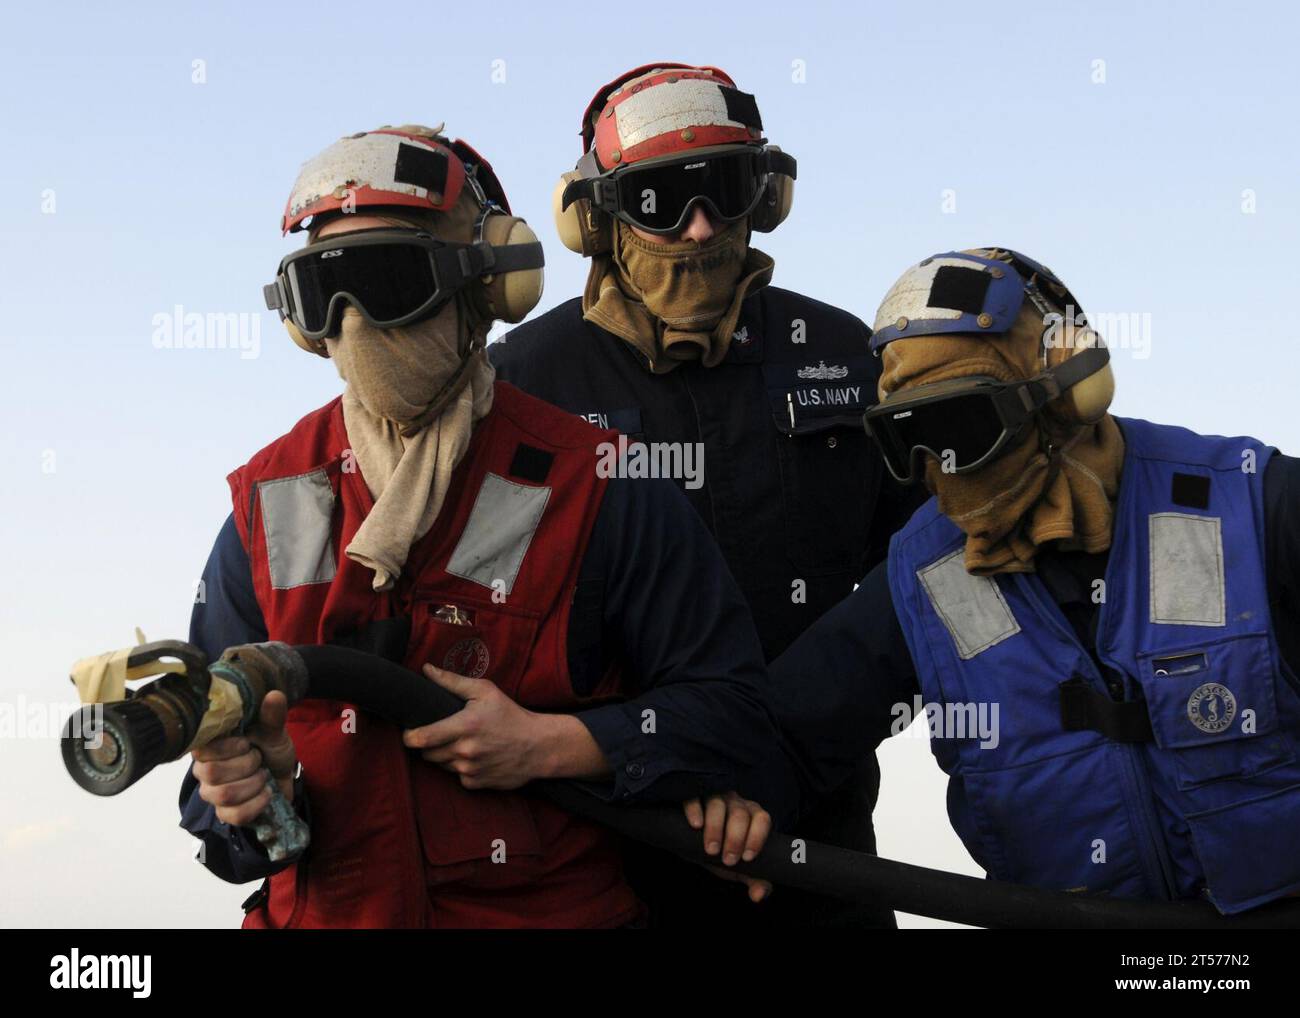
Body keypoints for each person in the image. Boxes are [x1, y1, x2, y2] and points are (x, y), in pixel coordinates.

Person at [177, 124, 797, 929]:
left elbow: (734, 713)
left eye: (391, 278)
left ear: (488, 286)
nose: (356, 321)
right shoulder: (269, 503)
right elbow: (215, 812)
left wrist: (556, 744)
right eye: (325, 289)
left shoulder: (601, 483)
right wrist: (258, 796)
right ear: (301, 321)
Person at [491, 63, 914, 928]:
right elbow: (486, 625)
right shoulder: (516, 391)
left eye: (722, 190)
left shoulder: (849, 356)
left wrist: (783, 766)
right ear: (595, 219)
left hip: (815, 841)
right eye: (657, 201)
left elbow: (931, 585)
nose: (697, 228)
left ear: (767, 196)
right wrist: (642, 754)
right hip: (600, 846)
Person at [772, 247, 1300, 914]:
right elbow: (781, 736)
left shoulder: (1253, 505)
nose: (942, 467)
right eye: (908, 438)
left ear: (1071, 391)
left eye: (963, 425)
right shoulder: (921, 574)